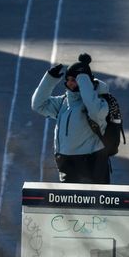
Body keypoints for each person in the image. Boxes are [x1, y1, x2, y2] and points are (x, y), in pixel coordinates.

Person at [30, 52, 111, 184]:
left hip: (92, 162)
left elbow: (94, 110)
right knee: (68, 204)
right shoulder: (64, 102)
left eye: (74, 80)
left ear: (84, 81)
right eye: (68, 79)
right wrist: (49, 79)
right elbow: (38, 105)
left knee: (95, 203)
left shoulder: (99, 103)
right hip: (66, 163)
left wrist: (83, 77)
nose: (70, 83)